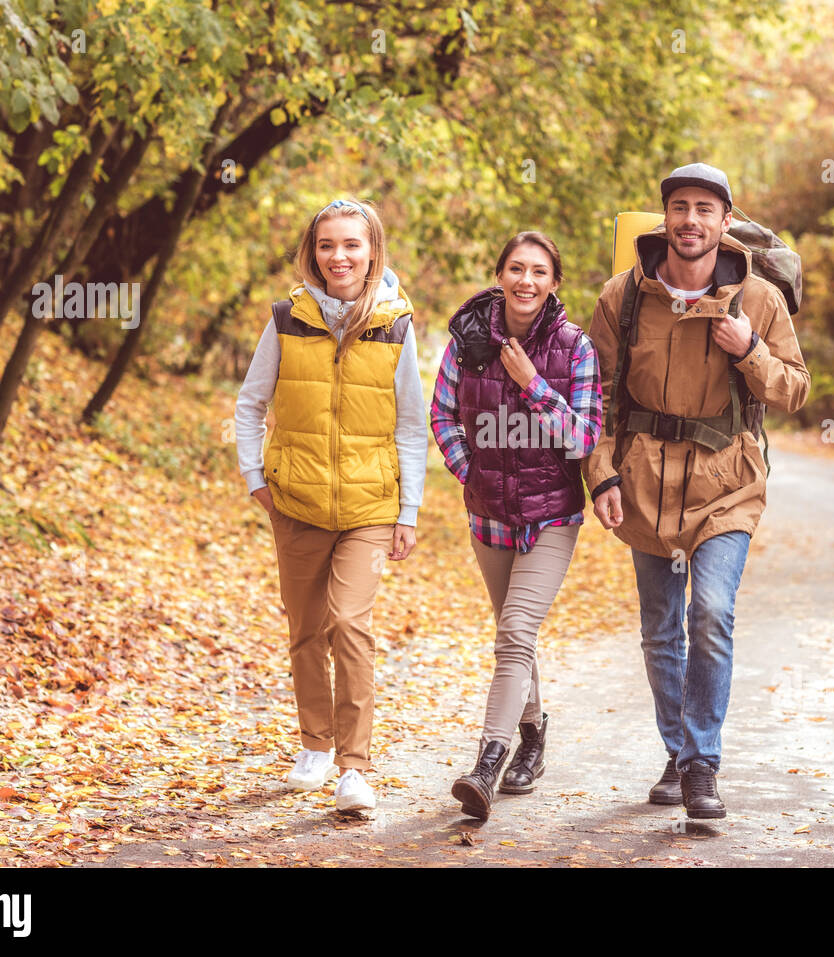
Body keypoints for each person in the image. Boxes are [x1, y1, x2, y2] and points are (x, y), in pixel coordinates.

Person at [585, 163, 810, 818]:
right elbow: (592, 398)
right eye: (679, 207)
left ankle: (701, 763)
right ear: (665, 218)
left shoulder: (760, 300)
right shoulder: (622, 297)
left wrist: (750, 351)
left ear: (725, 221)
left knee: (710, 611)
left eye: (705, 209)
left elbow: (794, 390)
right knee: (661, 628)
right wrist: (599, 473)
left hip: (727, 484)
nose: (690, 220)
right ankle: (680, 751)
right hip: (644, 481)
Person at [234, 198, 427, 813]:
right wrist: (255, 477)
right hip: (296, 499)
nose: (338, 256)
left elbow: (411, 426)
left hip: (370, 504)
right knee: (305, 629)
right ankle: (315, 746)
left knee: (349, 622)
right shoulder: (287, 319)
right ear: (312, 252)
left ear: (372, 250)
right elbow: (250, 404)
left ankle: (354, 768)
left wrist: (409, 512)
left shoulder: (396, 324)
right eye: (327, 245)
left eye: (351, 244)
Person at [430, 231, 602, 820]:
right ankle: (534, 736)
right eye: (516, 269)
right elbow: (443, 412)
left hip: (551, 514)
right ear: (500, 274)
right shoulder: (468, 339)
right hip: (489, 515)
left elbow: (582, 437)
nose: (526, 281)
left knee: (515, 630)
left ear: (554, 283)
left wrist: (533, 384)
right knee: (514, 635)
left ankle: (488, 762)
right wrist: (468, 469)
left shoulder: (574, 347)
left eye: (539, 272)